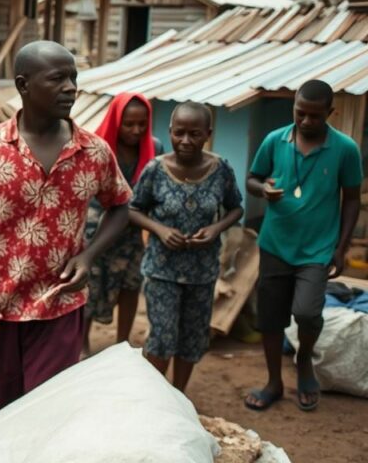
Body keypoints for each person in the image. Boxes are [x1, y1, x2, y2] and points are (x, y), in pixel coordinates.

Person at [0, 41, 132, 437]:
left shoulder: (94, 152)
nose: (71, 87)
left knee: (48, 413)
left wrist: (90, 256)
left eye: (74, 78)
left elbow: (121, 207)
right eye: (58, 78)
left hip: (59, 303)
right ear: (23, 84)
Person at [244, 80, 362, 412]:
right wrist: (262, 189)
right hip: (275, 244)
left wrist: (342, 247)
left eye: (314, 116)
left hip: (318, 249)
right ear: (293, 106)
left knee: (307, 313)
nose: (306, 121)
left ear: (330, 113)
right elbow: (252, 178)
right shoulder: (274, 140)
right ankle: (273, 382)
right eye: (300, 113)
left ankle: (304, 360)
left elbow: (352, 199)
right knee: (270, 318)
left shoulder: (345, 149)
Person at [129, 102, 244, 393]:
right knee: (162, 338)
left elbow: (236, 208)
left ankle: (179, 395)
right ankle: (156, 398)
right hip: (162, 269)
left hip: (202, 272)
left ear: (208, 133)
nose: (185, 140)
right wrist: (160, 229)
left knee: (192, 338)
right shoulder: (155, 169)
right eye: (179, 133)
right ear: (169, 131)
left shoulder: (221, 169)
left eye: (194, 133)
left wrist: (216, 228)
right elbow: (133, 209)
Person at [83, 92, 164, 356]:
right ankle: (81, 342)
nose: (136, 130)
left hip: (132, 231)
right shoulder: (96, 146)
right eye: (128, 124)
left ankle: (122, 342)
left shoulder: (155, 147)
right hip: (98, 229)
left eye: (142, 124)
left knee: (131, 283)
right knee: (90, 285)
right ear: (116, 120)